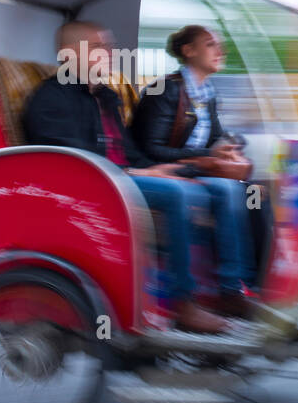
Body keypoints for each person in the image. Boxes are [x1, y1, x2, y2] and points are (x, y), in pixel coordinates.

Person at [21, 21, 231, 333]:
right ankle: (182, 303)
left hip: (123, 178)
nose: (109, 53)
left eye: (109, 46)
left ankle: (224, 290)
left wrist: (158, 169)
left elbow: (129, 151)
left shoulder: (105, 96)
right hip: (93, 186)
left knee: (214, 189)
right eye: (97, 47)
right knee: (180, 195)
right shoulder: (50, 100)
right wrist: (142, 172)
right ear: (68, 56)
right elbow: (75, 161)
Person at [131, 25, 261, 301]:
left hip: (193, 167)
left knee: (256, 193)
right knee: (228, 191)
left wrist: (230, 148)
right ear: (188, 51)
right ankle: (230, 288)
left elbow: (213, 137)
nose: (220, 51)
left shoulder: (206, 93)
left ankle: (252, 281)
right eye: (211, 44)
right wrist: (207, 159)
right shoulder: (164, 89)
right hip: (164, 168)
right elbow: (150, 148)